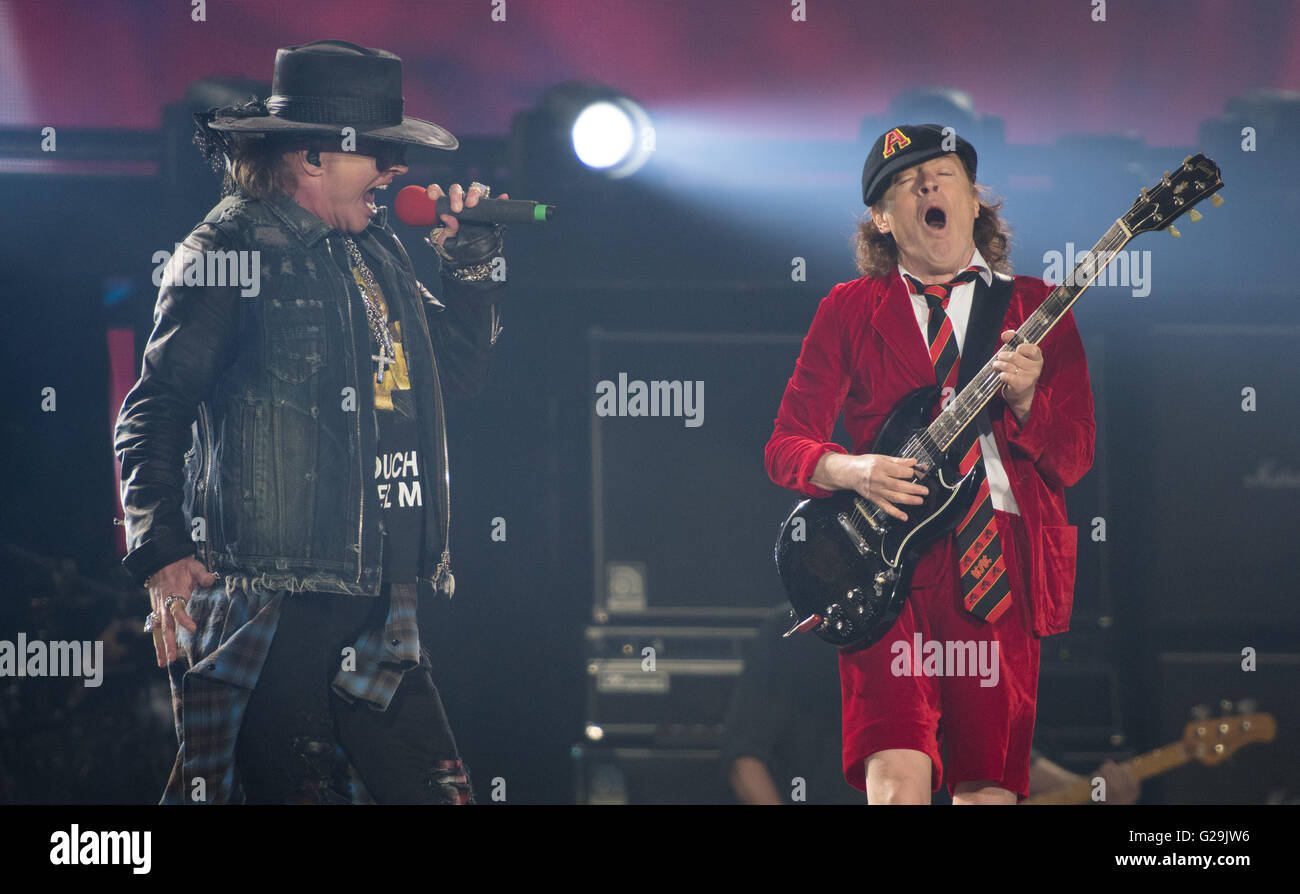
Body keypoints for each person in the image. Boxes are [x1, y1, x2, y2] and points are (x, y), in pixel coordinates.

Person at [114, 39, 508, 804]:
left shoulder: (378, 251)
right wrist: (161, 551)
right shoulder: (230, 246)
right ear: (312, 158)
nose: (395, 172)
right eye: (379, 155)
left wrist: (472, 263)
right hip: (281, 594)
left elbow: (460, 372)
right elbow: (156, 404)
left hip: (382, 599)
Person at [764, 124, 1096, 804]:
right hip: (884, 564)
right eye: (905, 183)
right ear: (883, 220)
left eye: (945, 174)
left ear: (976, 201)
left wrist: (1029, 398)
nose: (928, 185)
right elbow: (786, 446)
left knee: (987, 787)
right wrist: (854, 470)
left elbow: (1076, 456)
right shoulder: (849, 309)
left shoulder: (1036, 304)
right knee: (896, 777)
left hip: (996, 561)